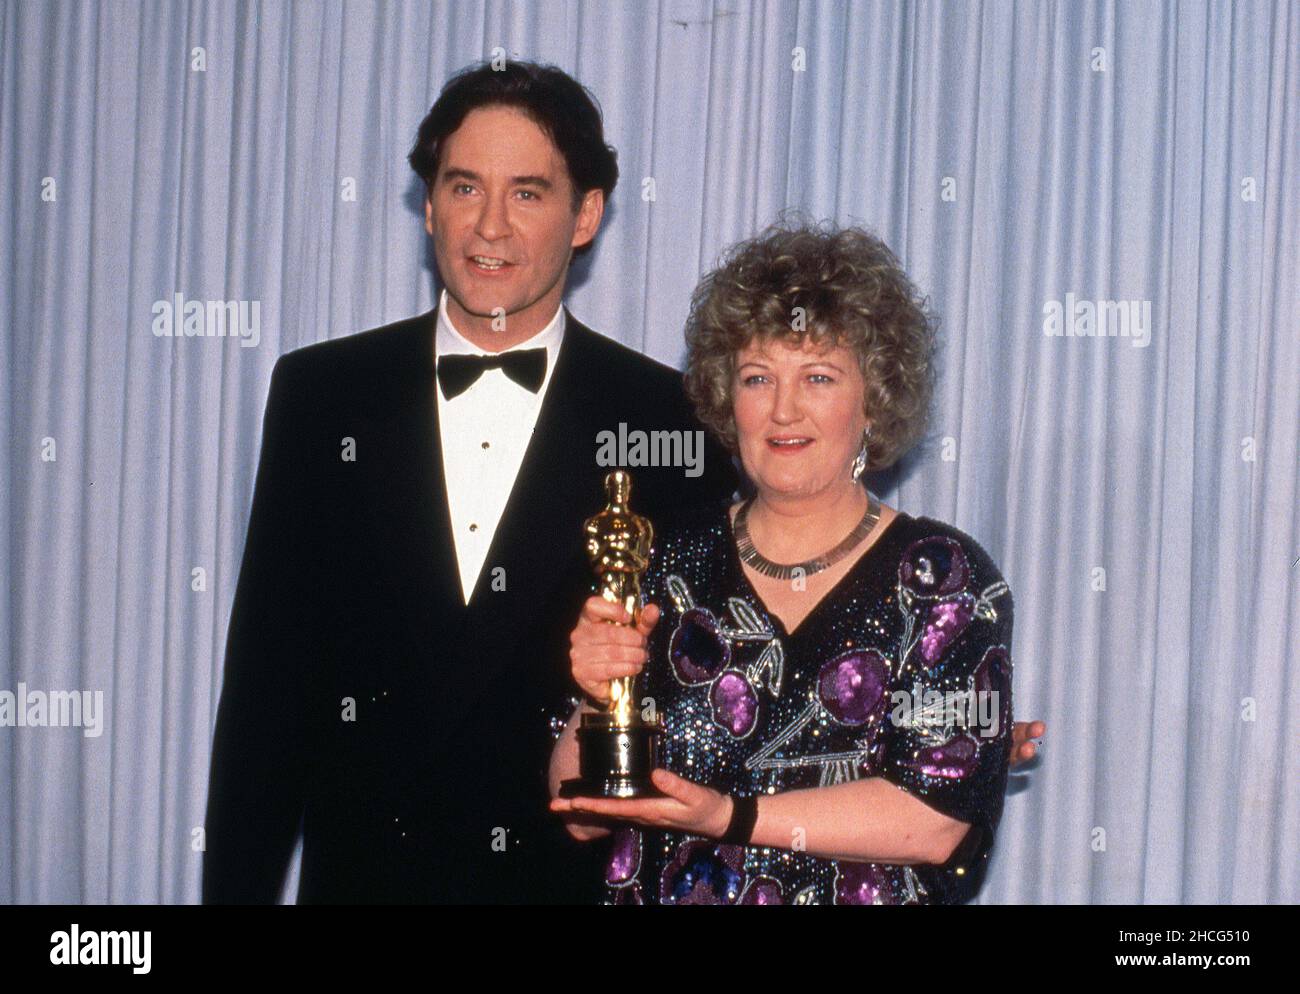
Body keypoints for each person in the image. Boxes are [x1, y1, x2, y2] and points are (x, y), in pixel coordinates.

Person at [201, 61, 737, 904]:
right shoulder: (323, 394)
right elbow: (269, 687)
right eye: (464, 187)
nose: (489, 226)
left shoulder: (673, 417)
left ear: (586, 215)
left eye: (527, 193)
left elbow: (707, 685)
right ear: (428, 205)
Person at [550, 222, 1023, 904]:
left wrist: (730, 818)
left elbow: (937, 821)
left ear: (874, 400)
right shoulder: (664, 560)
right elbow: (582, 816)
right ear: (727, 397)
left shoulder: (942, 577)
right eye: (757, 378)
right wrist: (598, 691)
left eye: (818, 377)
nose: (782, 410)